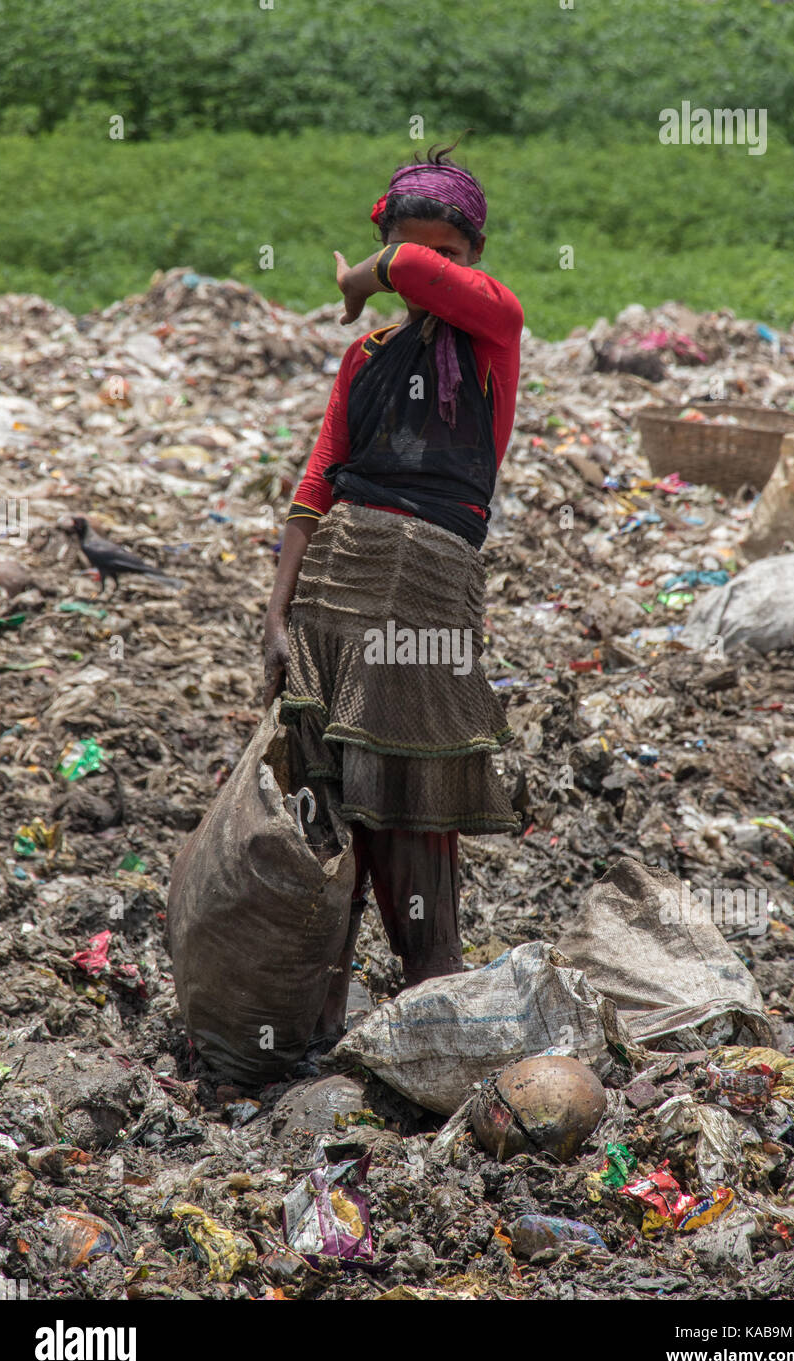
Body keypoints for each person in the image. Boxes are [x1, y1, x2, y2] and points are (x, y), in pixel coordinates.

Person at [262, 140, 523, 1047]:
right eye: (413, 254)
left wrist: (365, 271)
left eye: (445, 257)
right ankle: (319, 1018)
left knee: (413, 794)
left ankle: (432, 986)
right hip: (337, 584)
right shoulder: (365, 357)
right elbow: (320, 476)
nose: (424, 277)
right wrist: (275, 609)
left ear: (472, 258)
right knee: (333, 802)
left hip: (427, 589)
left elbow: (408, 265)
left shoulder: (495, 332)